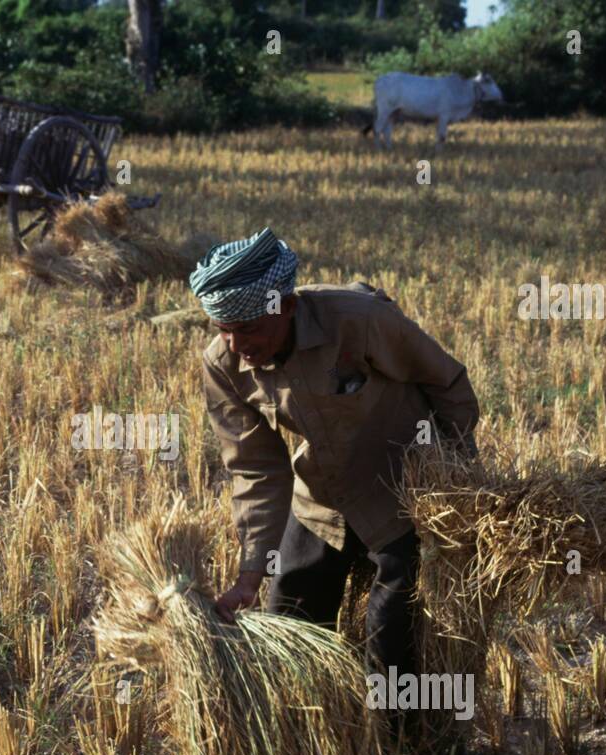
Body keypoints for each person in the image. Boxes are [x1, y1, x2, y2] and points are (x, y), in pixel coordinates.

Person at [192, 228, 480, 681]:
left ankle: (402, 748)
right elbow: (254, 467)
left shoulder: (357, 320)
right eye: (224, 330)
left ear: (284, 307)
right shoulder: (223, 365)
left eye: (246, 328)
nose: (236, 345)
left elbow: (446, 382)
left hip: (400, 492)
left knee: (391, 643)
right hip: (321, 501)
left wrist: (459, 484)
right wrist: (251, 574)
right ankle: (318, 745)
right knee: (290, 633)